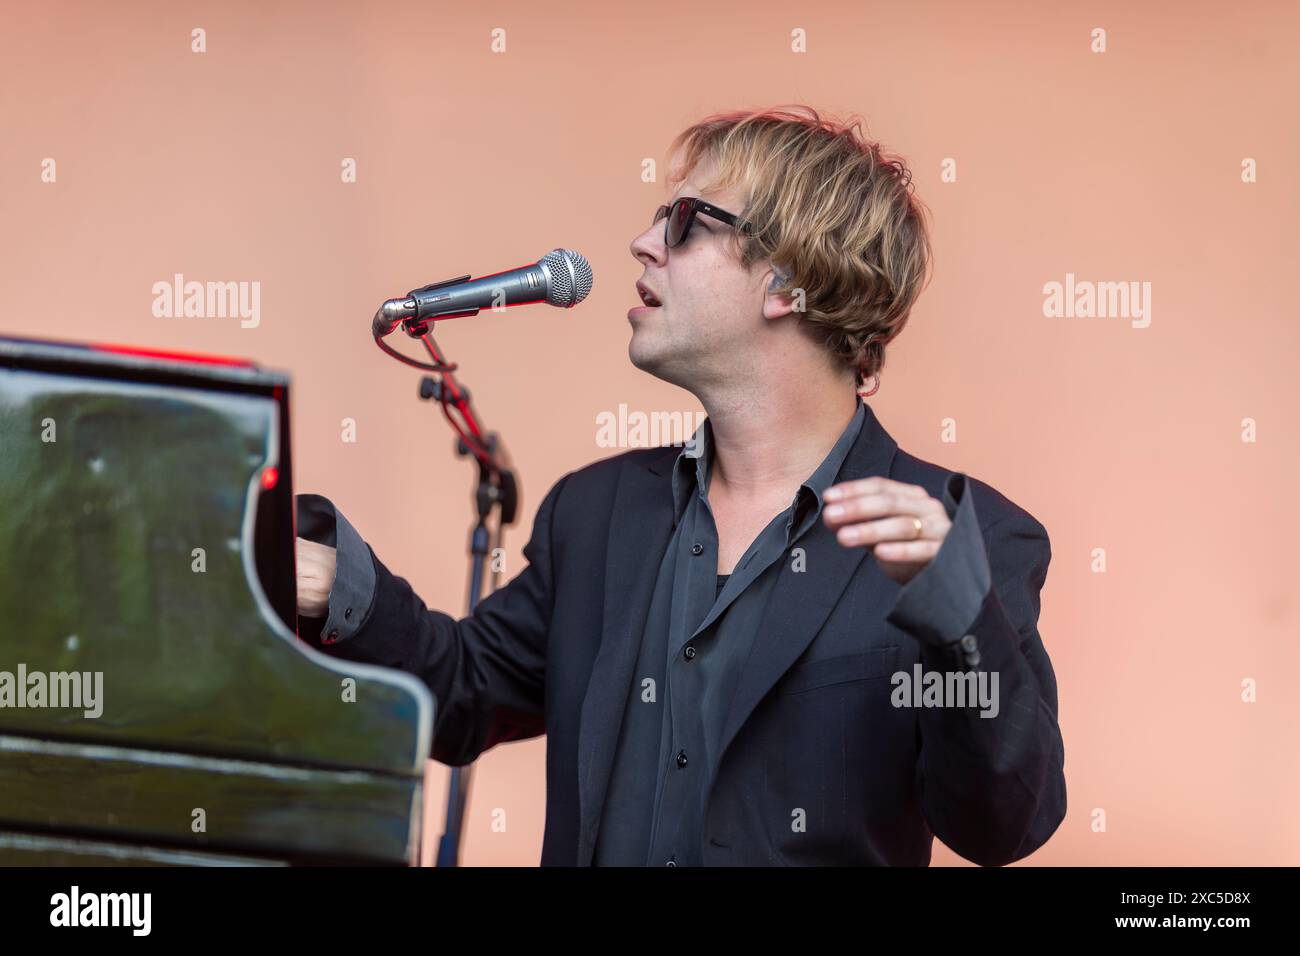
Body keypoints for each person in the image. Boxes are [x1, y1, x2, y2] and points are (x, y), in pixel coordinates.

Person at [295, 105, 1066, 866]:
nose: (642, 242)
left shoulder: (972, 536)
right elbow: (461, 695)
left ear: (788, 281)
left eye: (687, 221)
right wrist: (337, 586)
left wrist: (958, 618)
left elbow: (1003, 824)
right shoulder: (593, 513)